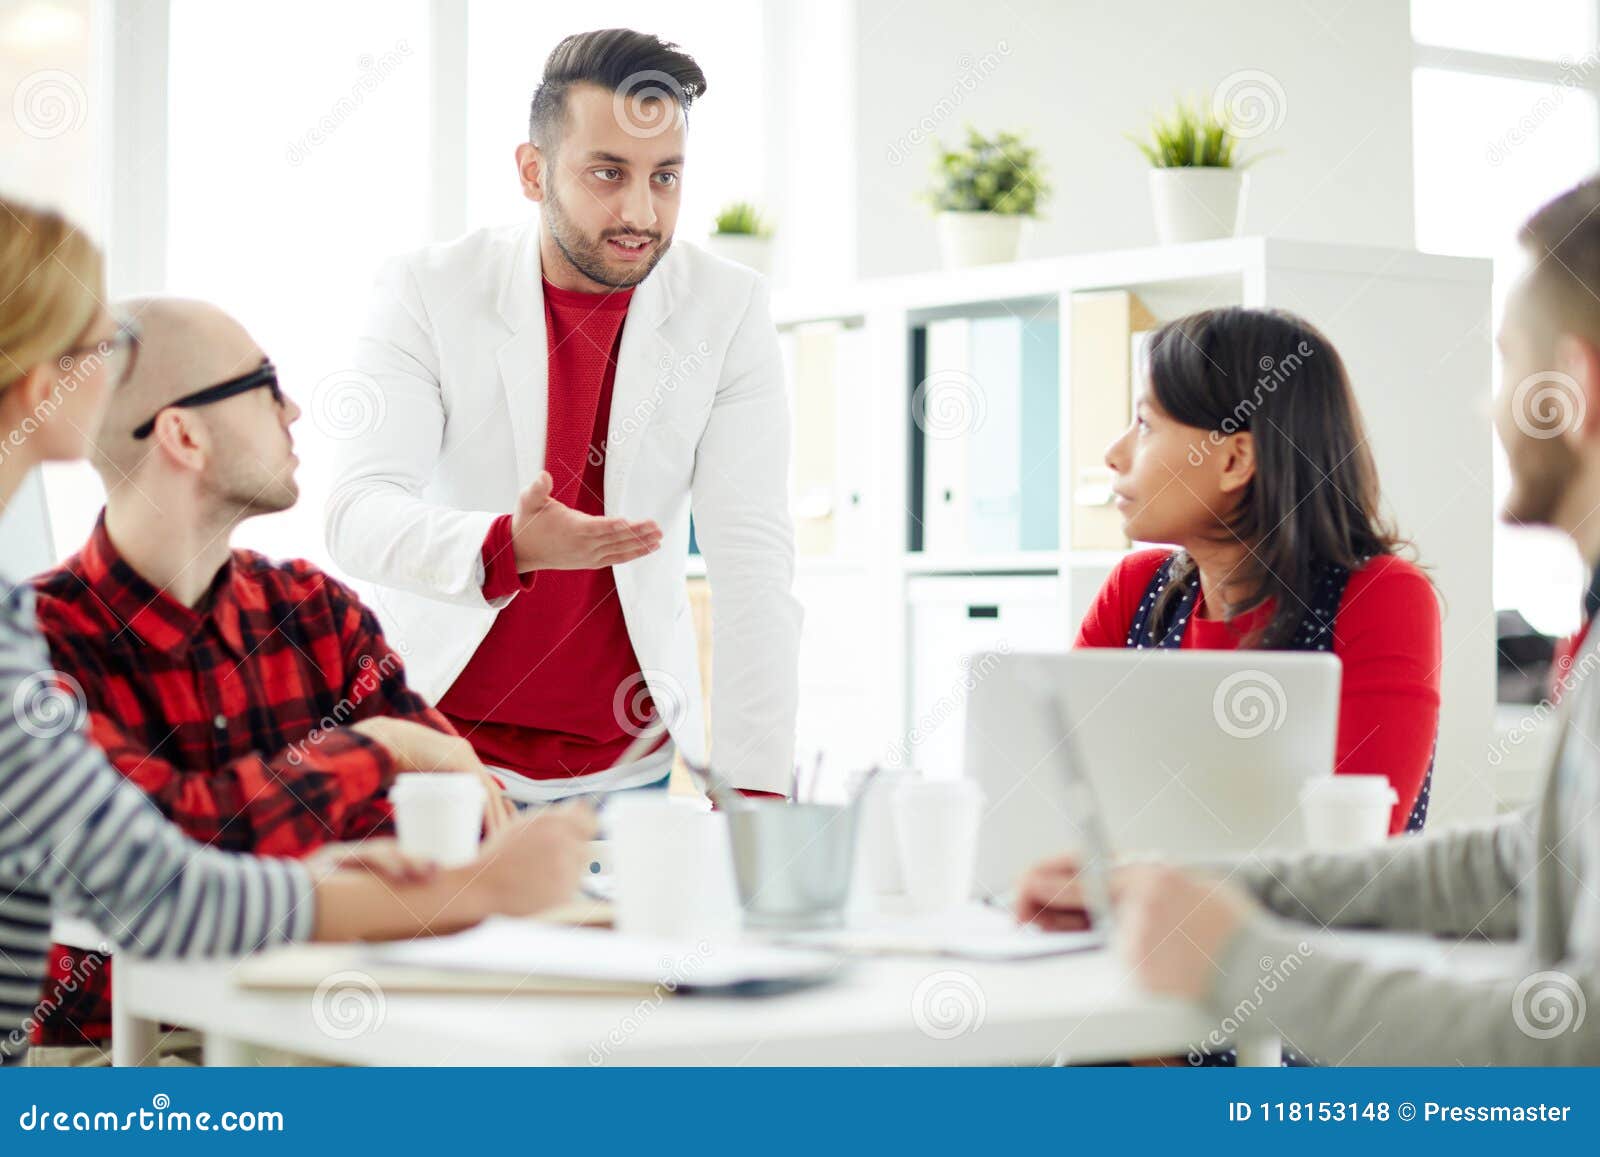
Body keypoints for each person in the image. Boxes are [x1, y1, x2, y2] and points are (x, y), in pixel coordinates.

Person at [1015, 177, 1600, 1065]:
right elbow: (1520, 863)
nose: (1487, 408)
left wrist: (1229, 950)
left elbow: (1571, 1050)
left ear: (1577, 386)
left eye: (1507, 364)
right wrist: (1194, 894)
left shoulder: (1380, 595)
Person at [0, 194, 594, 1067]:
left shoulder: (314, 610)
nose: (296, 411)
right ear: (183, 435)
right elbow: (160, 872)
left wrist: (388, 848)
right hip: (103, 1058)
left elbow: (442, 814)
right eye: (262, 384)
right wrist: (386, 756)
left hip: (304, 1016)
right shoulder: (42, 634)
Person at [326, 28, 801, 803]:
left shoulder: (730, 308)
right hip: (442, 755)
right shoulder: (427, 289)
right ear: (532, 170)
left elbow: (753, 561)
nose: (641, 211)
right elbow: (358, 512)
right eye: (608, 173)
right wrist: (505, 544)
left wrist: (757, 791)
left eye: (666, 177)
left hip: (628, 763)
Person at [1074, 306, 1440, 834]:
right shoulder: (1135, 590)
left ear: (1234, 461)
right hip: (1144, 911)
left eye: (1146, 424)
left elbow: (1350, 848)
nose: (1114, 453)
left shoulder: (1380, 596)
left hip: (1313, 919)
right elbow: (1062, 796)